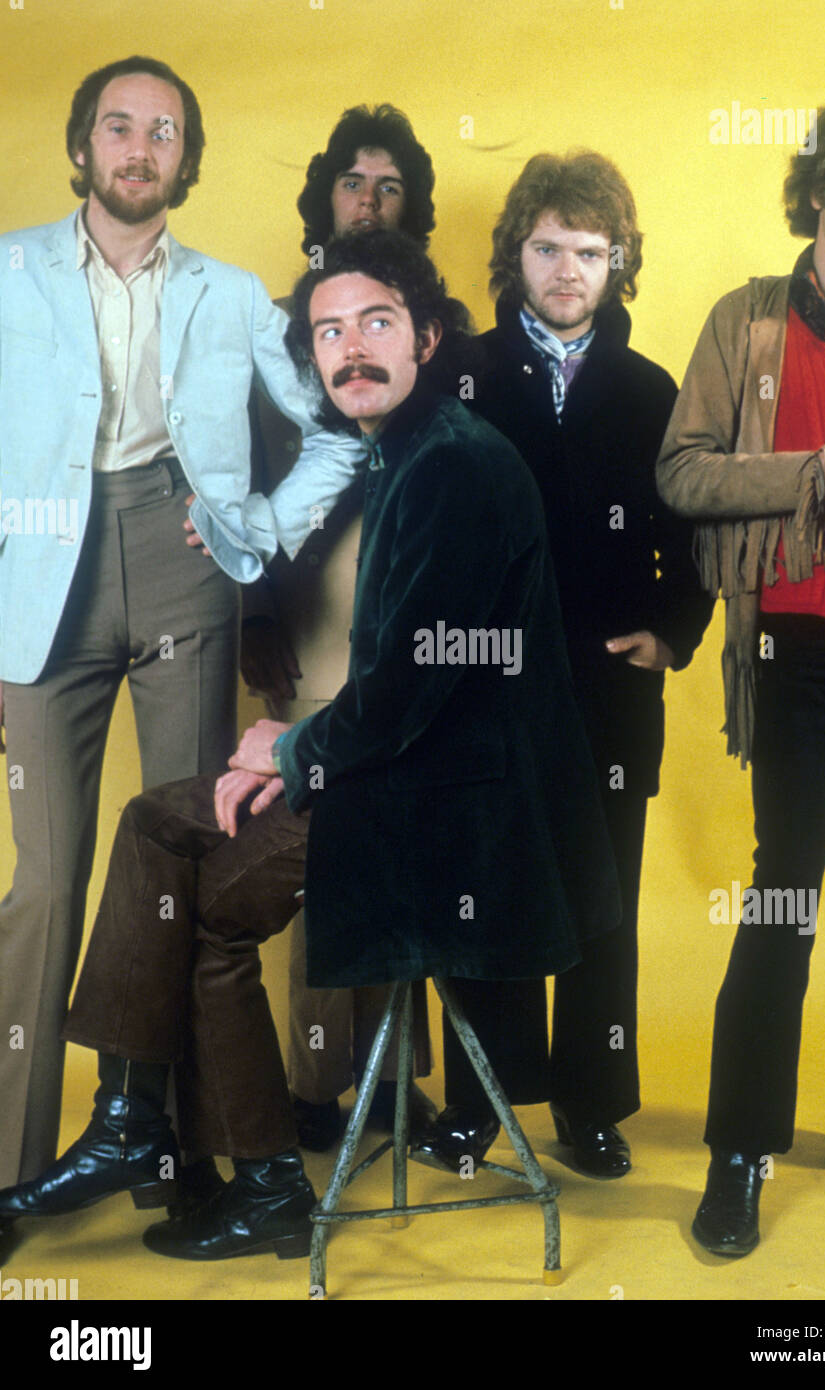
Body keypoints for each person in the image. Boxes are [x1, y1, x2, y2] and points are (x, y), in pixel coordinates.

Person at [0, 229, 620, 1262]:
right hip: (409, 772)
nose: (349, 350)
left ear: (425, 334)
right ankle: (137, 1121)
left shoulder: (452, 468)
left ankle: (243, 1167)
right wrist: (290, 750)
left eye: (375, 322)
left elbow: (412, 690)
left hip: (458, 813)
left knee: (199, 888)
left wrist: (284, 754)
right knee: (159, 823)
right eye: (327, 332)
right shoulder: (402, 453)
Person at [0, 53, 363, 1243]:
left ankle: (182, 1152)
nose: (139, 147)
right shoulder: (7, 274)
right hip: (39, 566)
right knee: (49, 879)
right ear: (83, 148)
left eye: (163, 131)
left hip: (182, 557)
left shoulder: (234, 293)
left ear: (183, 161)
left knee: (189, 856)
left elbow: (337, 432)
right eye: (119, 126)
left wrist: (255, 531)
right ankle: (12, 1167)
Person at [657, 85, 825, 1257]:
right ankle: (738, 1147)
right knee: (783, 892)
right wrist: (809, 469)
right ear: (821, 183)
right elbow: (680, 472)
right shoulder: (748, 321)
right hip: (796, 645)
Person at [413, 153, 711, 1178]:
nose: (567, 269)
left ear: (618, 261)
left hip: (604, 689)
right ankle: (478, 1104)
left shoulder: (649, 387)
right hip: (480, 683)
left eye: (589, 250)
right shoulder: (458, 375)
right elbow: (416, 527)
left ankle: (591, 1100)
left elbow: (694, 533)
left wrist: (673, 628)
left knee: (600, 897)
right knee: (483, 894)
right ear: (513, 254)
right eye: (547, 247)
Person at [241, 105, 439, 1151]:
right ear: (325, 198)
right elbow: (235, 483)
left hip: (407, 622)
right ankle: (319, 1090)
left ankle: (397, 1081)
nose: (369, 200)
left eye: (391, 186)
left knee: (407, 844)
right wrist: (250, 614)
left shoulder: (434, 332)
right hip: (310, 616)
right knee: (323, 855)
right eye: (354, 183)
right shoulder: (279, 331)